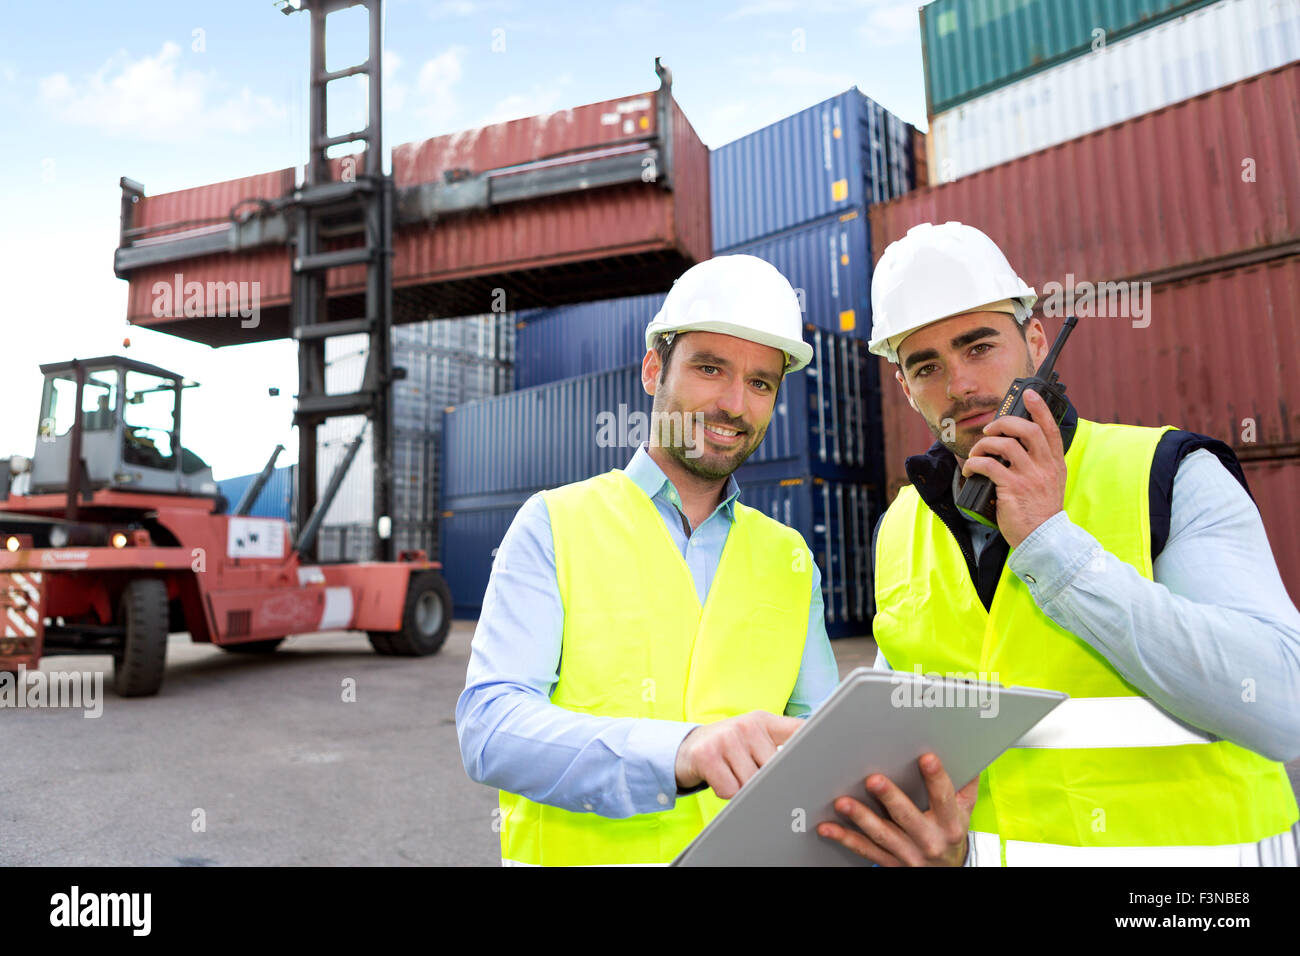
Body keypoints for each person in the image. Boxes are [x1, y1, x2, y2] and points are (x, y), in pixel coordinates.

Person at [457, 255, 973, 866]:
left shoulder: (788, 557)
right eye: (709, 368)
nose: (734, 404)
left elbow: (821, 748)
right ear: (654, 370)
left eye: (760, 383)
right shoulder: (554, 524)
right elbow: (490, 730)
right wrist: (684, 751)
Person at [821, 220, 1300, 866]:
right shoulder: (901, 527)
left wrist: (1053, 545)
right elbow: (911, 756)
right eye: (926, 366)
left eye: (978, 346)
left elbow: (1281, 708)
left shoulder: (1168, 475)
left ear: (1036, 341)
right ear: (905, 389)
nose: (959, 386)